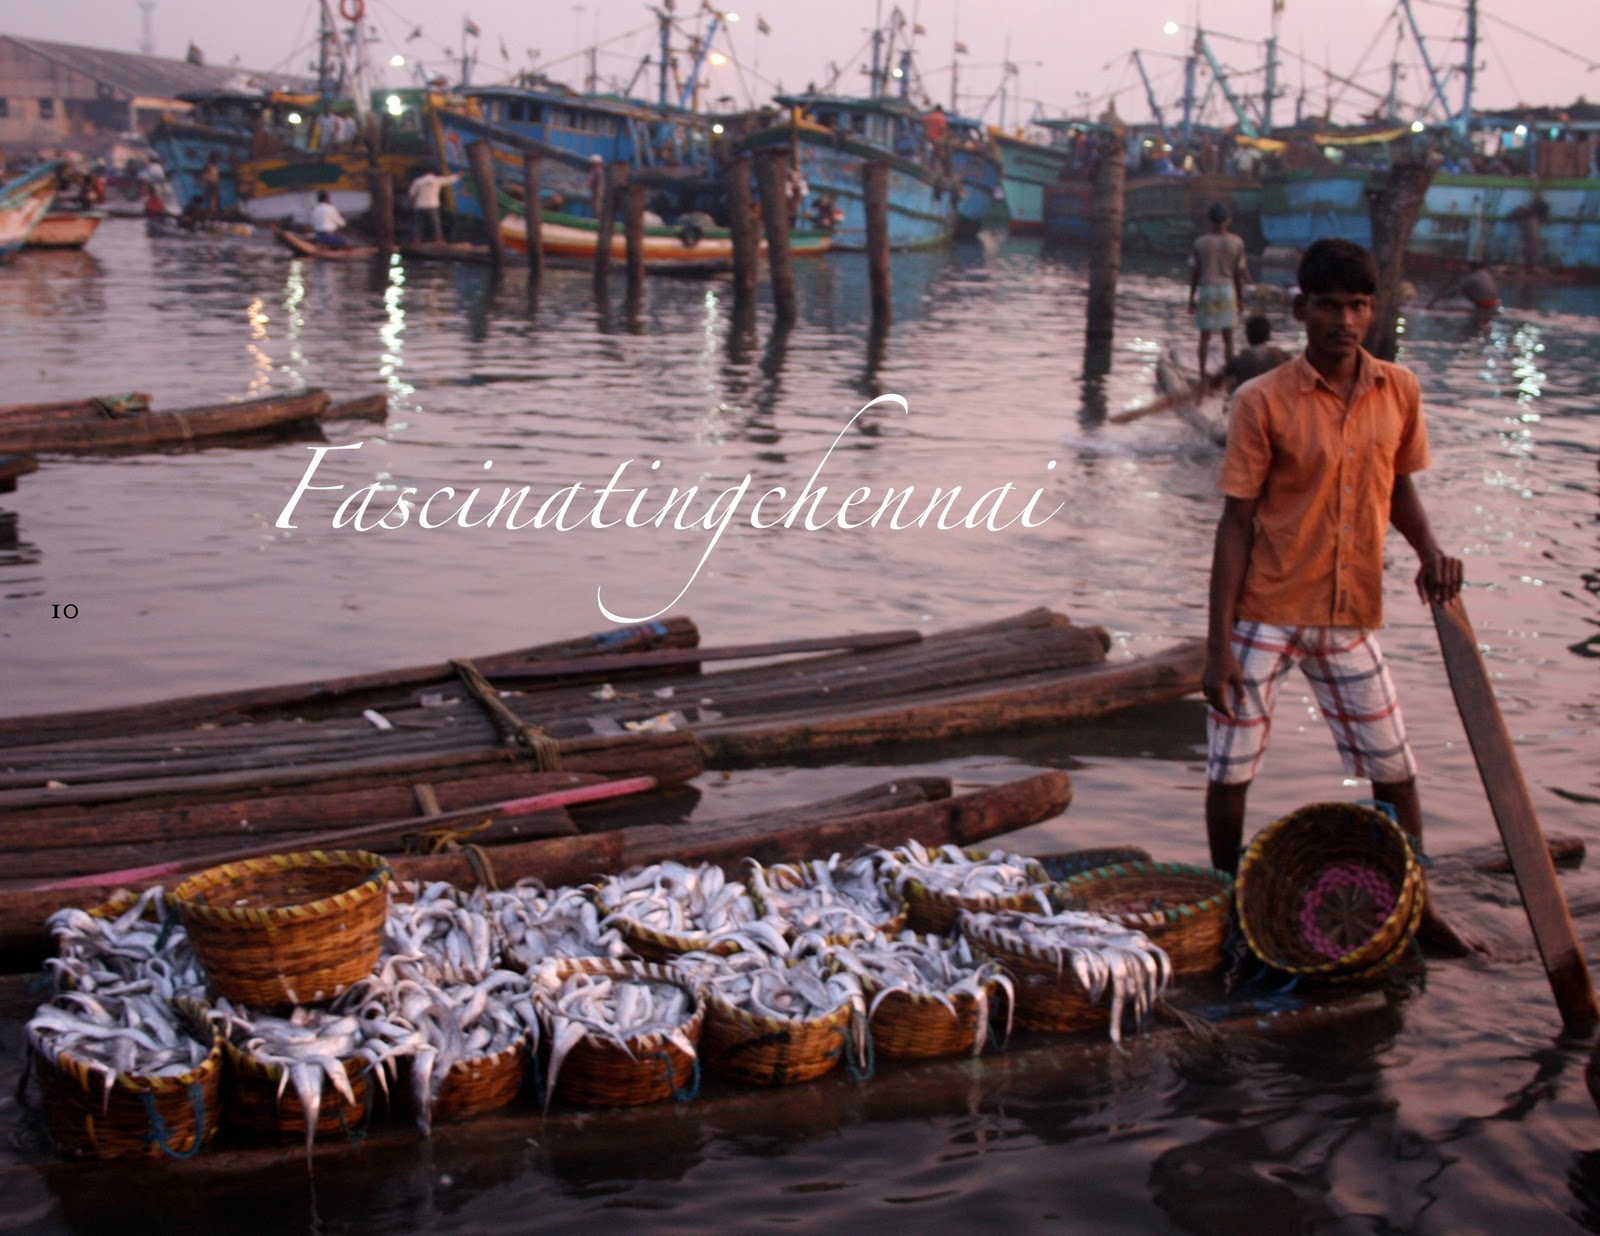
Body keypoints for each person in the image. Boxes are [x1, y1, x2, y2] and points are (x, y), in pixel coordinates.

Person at [1202, 237, 1476, 957]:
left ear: (1374, 310)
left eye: (1357, 306)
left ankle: (1418, 906)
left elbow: (1399, 486)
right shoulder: (1261, 400)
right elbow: (1233, 524)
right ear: (1301, 309)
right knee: (1230, 770)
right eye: (1329, 305)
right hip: (1265, 608)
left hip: (1351, 611)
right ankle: (1230, 901)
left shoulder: (1399, 389)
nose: (1344, 321)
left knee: (1393, 767)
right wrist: (1215, 646)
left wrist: (1430, 553)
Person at [1188, 201, 1249, 387]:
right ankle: (1230, 377)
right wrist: (1240, 300)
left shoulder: (1200, 243)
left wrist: (1191, 298)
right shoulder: (1237, 242)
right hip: (1227, 290)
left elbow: (1196, 273)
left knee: (1204, 337)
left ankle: (1201, 374)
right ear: (1227, 221)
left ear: (1209, 221)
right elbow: (1239, 274)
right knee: (1228, 338)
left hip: (1207, 290)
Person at [1209, 314, 1292, 394]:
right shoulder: (1281, 356)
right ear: (1268, 336)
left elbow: (1215, 380)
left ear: (1247, 336)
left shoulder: (1239, 360)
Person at [407, 170, 462, 243]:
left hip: (420, 205)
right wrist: (458, 176)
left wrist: (412, 204)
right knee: (435, 223)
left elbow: (411, 194)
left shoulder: (418, 181)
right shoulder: (437, 180)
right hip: (433, 205)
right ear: (433, 173)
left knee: (418, 223)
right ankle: (438, 239)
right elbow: (449, 180)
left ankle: (416, 239)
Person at [1427, 260, 1499, 313]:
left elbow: (1456, 290)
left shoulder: (1471, 276)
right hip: (1494, 302)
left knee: (1464, 288)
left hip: (1484, 303)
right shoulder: (1486, 273)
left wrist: (1442, 297)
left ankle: (1480, 308)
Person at [199, 152, 222, 218]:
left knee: (216, 199)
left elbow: (216, 176)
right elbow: (204, 175)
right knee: (210, 199)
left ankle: (214, 213)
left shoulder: (216, 166)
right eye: (216, 158)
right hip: (210, 184)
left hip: (215, 184)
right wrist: (207, 180)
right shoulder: (208, 165)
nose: (217, 159)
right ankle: (209, 213)